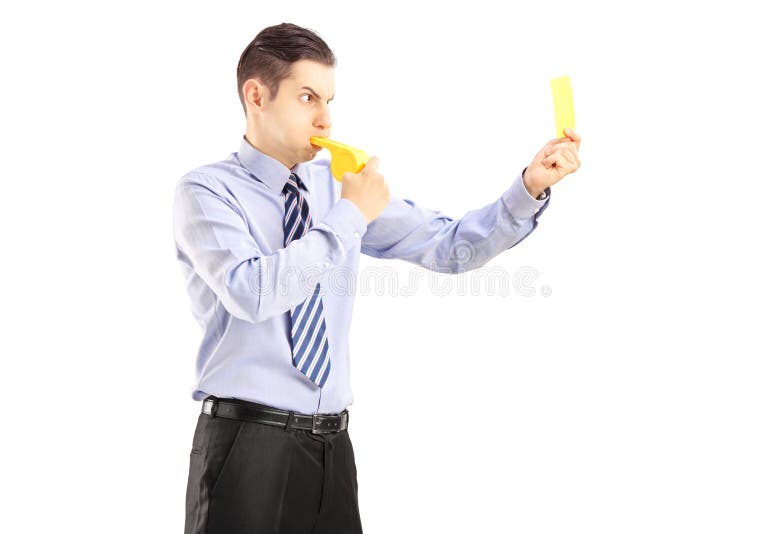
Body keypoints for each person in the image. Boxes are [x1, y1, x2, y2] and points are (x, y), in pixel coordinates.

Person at [173, 22, 582, 534]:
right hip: (245, 447)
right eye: (307, 97)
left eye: (328, 99)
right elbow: (253, 291)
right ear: (257, 95)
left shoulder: (340, 185)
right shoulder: (207, 192)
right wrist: (348, 217)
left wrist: (529, 186)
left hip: (331, 450)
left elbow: (449, 246)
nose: (325, 117)